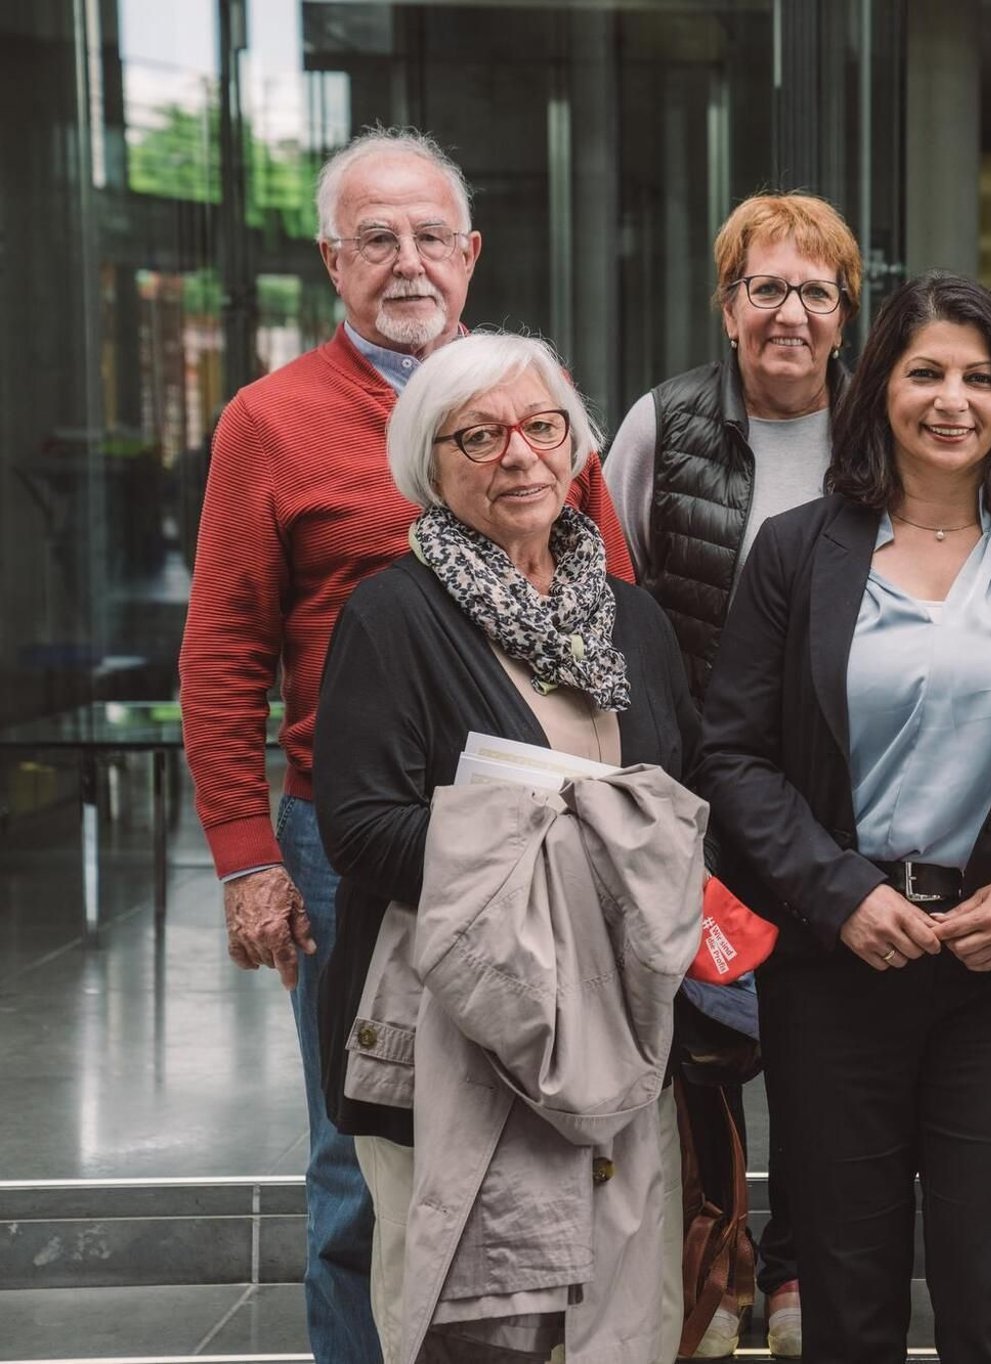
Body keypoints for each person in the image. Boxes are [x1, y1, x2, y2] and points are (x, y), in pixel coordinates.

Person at [176, 127, 631, 1364]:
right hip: (362, 843)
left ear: (471, 253)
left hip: (556, 843)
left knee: (554, 1124)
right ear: (333, 259)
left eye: (432, 235)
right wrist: (245, 856)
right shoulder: (271, 421)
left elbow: (610, 610)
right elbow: (221, 656)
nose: (407, 261)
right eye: (376, 238)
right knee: (362, 1147)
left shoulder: (530, 396)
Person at [698, 272, 991, 1364]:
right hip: (838, 959)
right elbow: (734, 754)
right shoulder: (797, 552)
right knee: (845, 1290)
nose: (953, 398)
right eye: (925, 370)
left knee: (990, 1286)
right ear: (878, 384)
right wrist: (838, 890)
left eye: (980, 377)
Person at [312, 331, 700, 1360]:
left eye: (540, 427)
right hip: (454, 1031)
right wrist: (584, 846)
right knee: (467, 1324)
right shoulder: (390, 615)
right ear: (429, 466)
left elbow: (680, 801)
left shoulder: (634, 619)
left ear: (576, 446)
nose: (516, 454)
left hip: (615, 1034)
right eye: (477, 436)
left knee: (621, 1316)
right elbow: (360, 827)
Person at [604, 189, 865, 1359]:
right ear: (727, 304)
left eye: (814, 291)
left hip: (845, 797)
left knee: (817, 1040)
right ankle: (718, 1257)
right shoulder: (661, 424)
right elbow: (608, 599)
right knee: (694, 1038)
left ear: (845, 313)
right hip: (691, 793)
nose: (789, 313)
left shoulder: (883, 429)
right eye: (765, 287)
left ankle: (803, 1263)